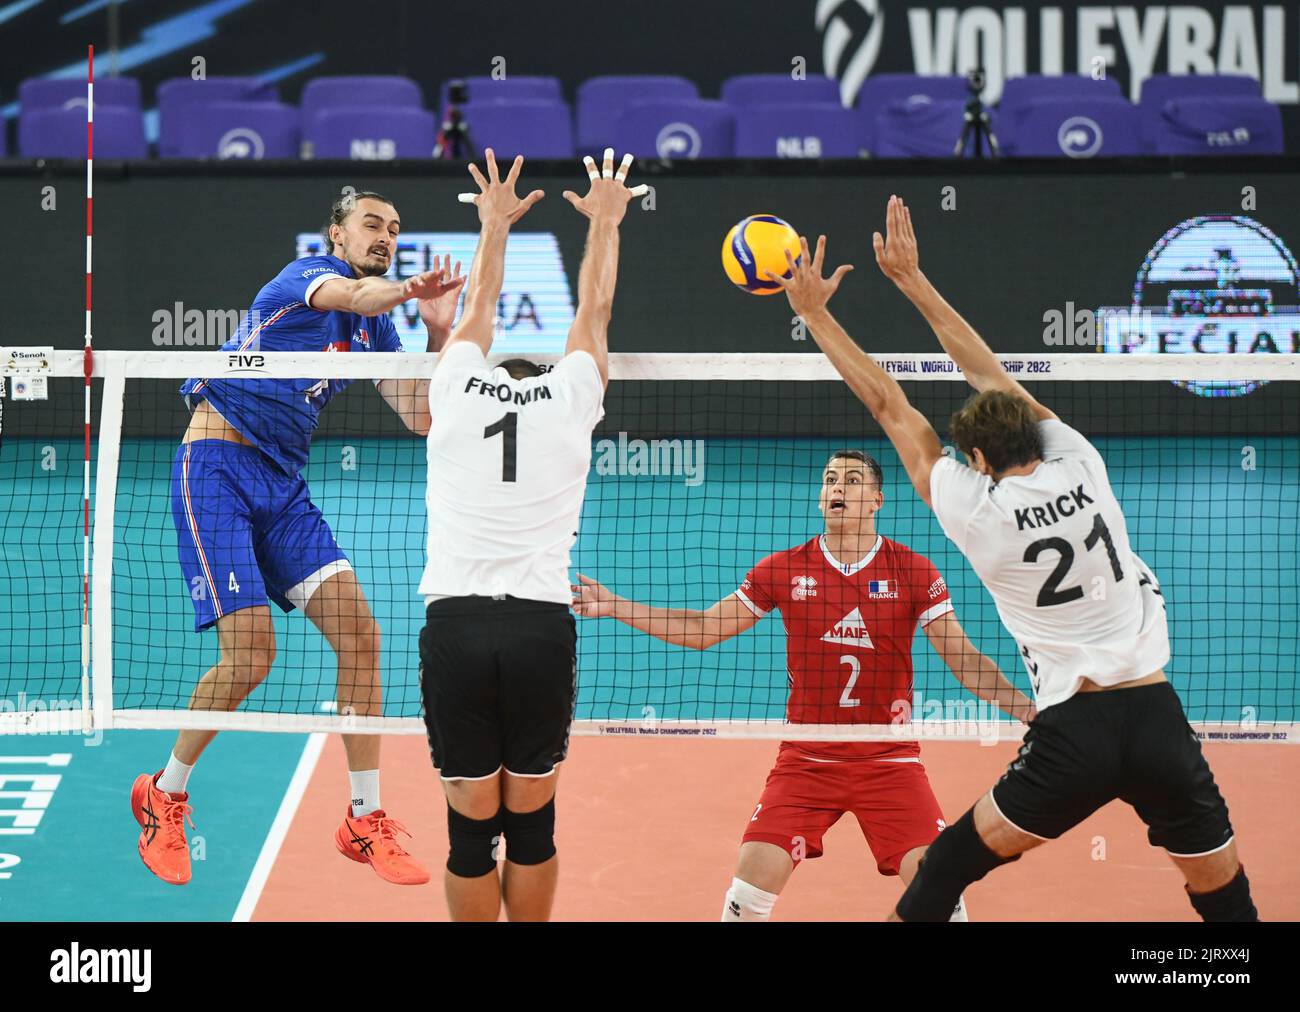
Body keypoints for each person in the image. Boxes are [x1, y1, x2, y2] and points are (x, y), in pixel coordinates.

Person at [764, 195, 1257, 922]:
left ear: (977, 459)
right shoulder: (1079, 460)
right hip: (1157, 717)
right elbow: (985, 369)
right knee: (1222, 894)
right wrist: (912, 279)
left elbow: (889, 406)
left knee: (943, 873)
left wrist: (816, 315)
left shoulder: (975, 511)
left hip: (1074, 735)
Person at [132, 188, 467, 887]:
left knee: (361, 635)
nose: (385, 235)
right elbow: (359, 297)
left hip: (283, 488)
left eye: (395, 230)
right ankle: (165, 793)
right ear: (336, 235)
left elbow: (420, 416)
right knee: (252, 655)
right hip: (216, 468)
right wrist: (404, 288)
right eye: (372, 224)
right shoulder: (303, 280)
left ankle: (363, 819)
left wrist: (438, 332)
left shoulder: (377, 329)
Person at [574, 449, 1033, 922]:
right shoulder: (784, 569)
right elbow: (704, 629)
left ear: (876, 500)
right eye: (831, 479)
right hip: (806, 761)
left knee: (942, 897)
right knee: (745, 896)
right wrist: (614, 606)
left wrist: (1029, 711)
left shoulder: (914, 572)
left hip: (889, 760)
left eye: (852, 481)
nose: (838, 488)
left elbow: (964, 660)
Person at [417, 148, 645, 921]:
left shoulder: (451, 383)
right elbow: (594, 313)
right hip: (539, 624)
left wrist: (494, 224)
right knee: (533, 828)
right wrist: (607, 222)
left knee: (467, 835)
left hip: (455, 623)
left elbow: (476, 303)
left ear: (479, 372)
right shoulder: (570, 394)